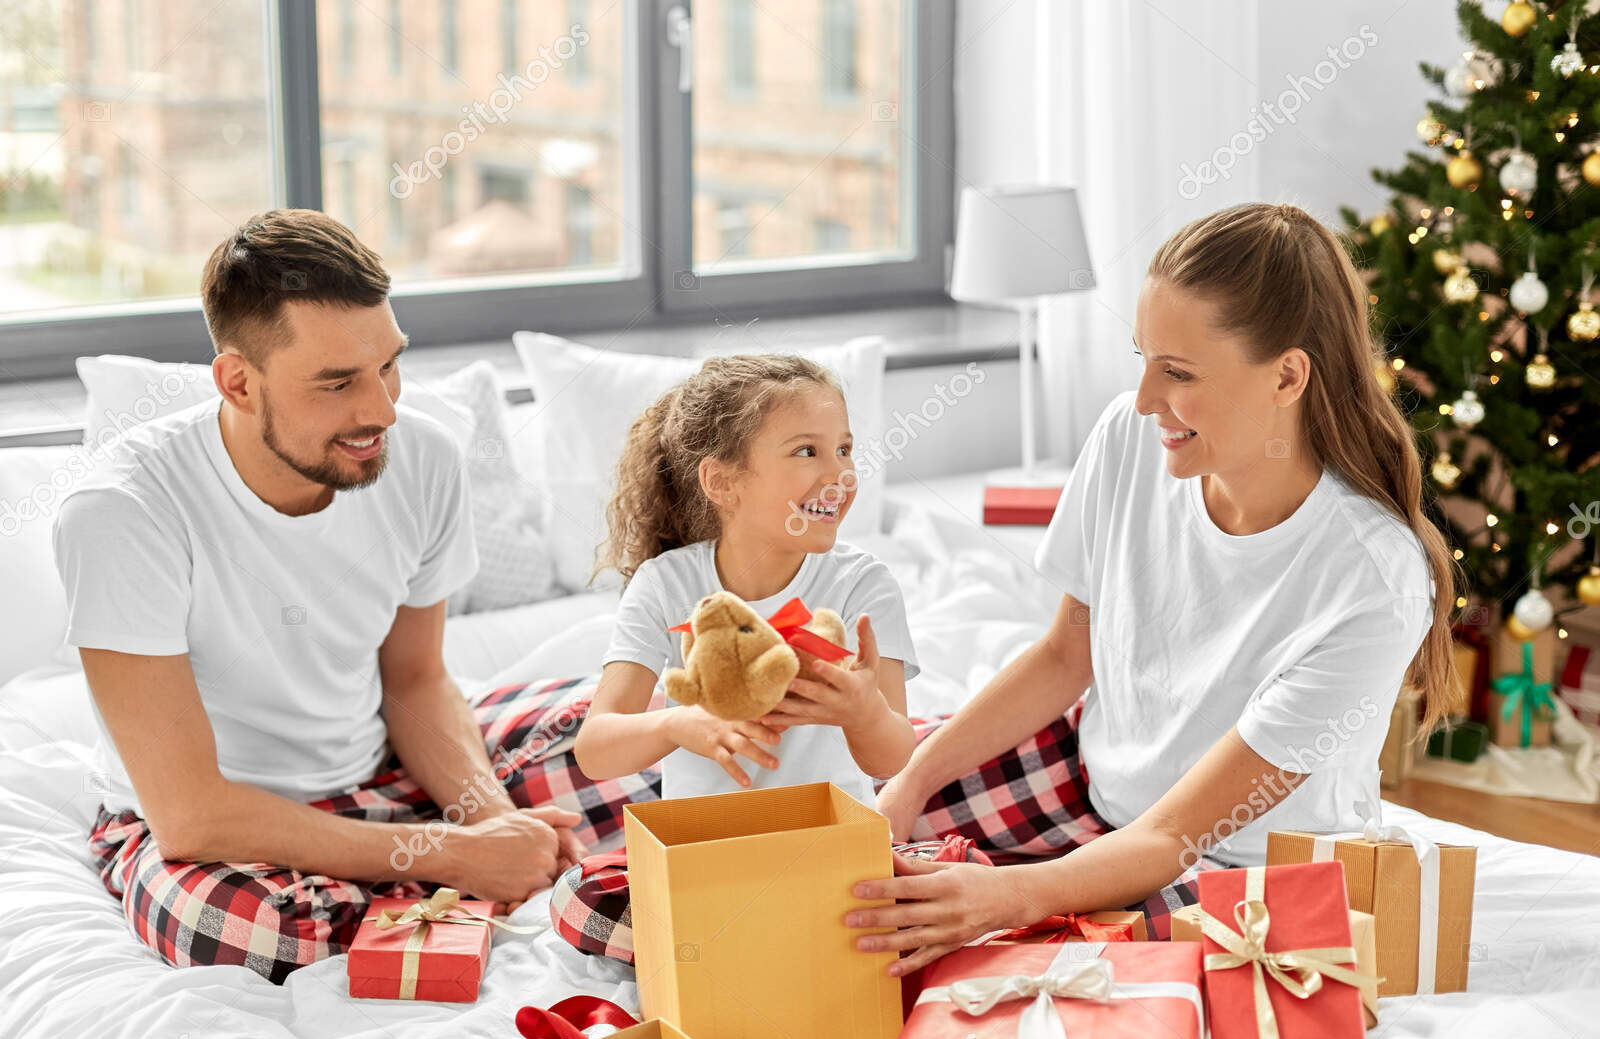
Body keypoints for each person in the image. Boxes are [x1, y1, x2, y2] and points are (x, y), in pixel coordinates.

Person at [850, 202, 1459, 976]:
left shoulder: (1371, 579)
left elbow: (1175, 839)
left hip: (1234, 870)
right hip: (1096, 789)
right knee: (839, 828)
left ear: (1287, 375)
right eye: (1144, 359)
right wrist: (913, 779)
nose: (1142, 398)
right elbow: (1066, 655)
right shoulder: (1129, 438)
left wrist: (1003, 897)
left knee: (973, 968)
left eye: (1178, 373)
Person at [56, 209, 591, 984]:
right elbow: (190, 812)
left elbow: (415, 681)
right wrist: (456, 853)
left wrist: (493, 819)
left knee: (643, 739)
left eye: (388, 366)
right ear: (238, 381)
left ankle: (411, 900)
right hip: (220, 826)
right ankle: (439, 894)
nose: (379, 410)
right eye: (337, 383)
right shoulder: (122, 512)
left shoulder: (427, 458)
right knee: (238, 932)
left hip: (383, 772)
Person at [574, 354, 918, 805]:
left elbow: (890, 761)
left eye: (844, 449)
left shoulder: (863, 584)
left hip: (826, 846)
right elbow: (595, 750)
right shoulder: (665, 583)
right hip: (706, 851)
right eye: (806, 451)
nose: (841, 475)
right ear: (721, 482)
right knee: (577, 882)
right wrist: (677, 723)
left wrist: (865, 712)